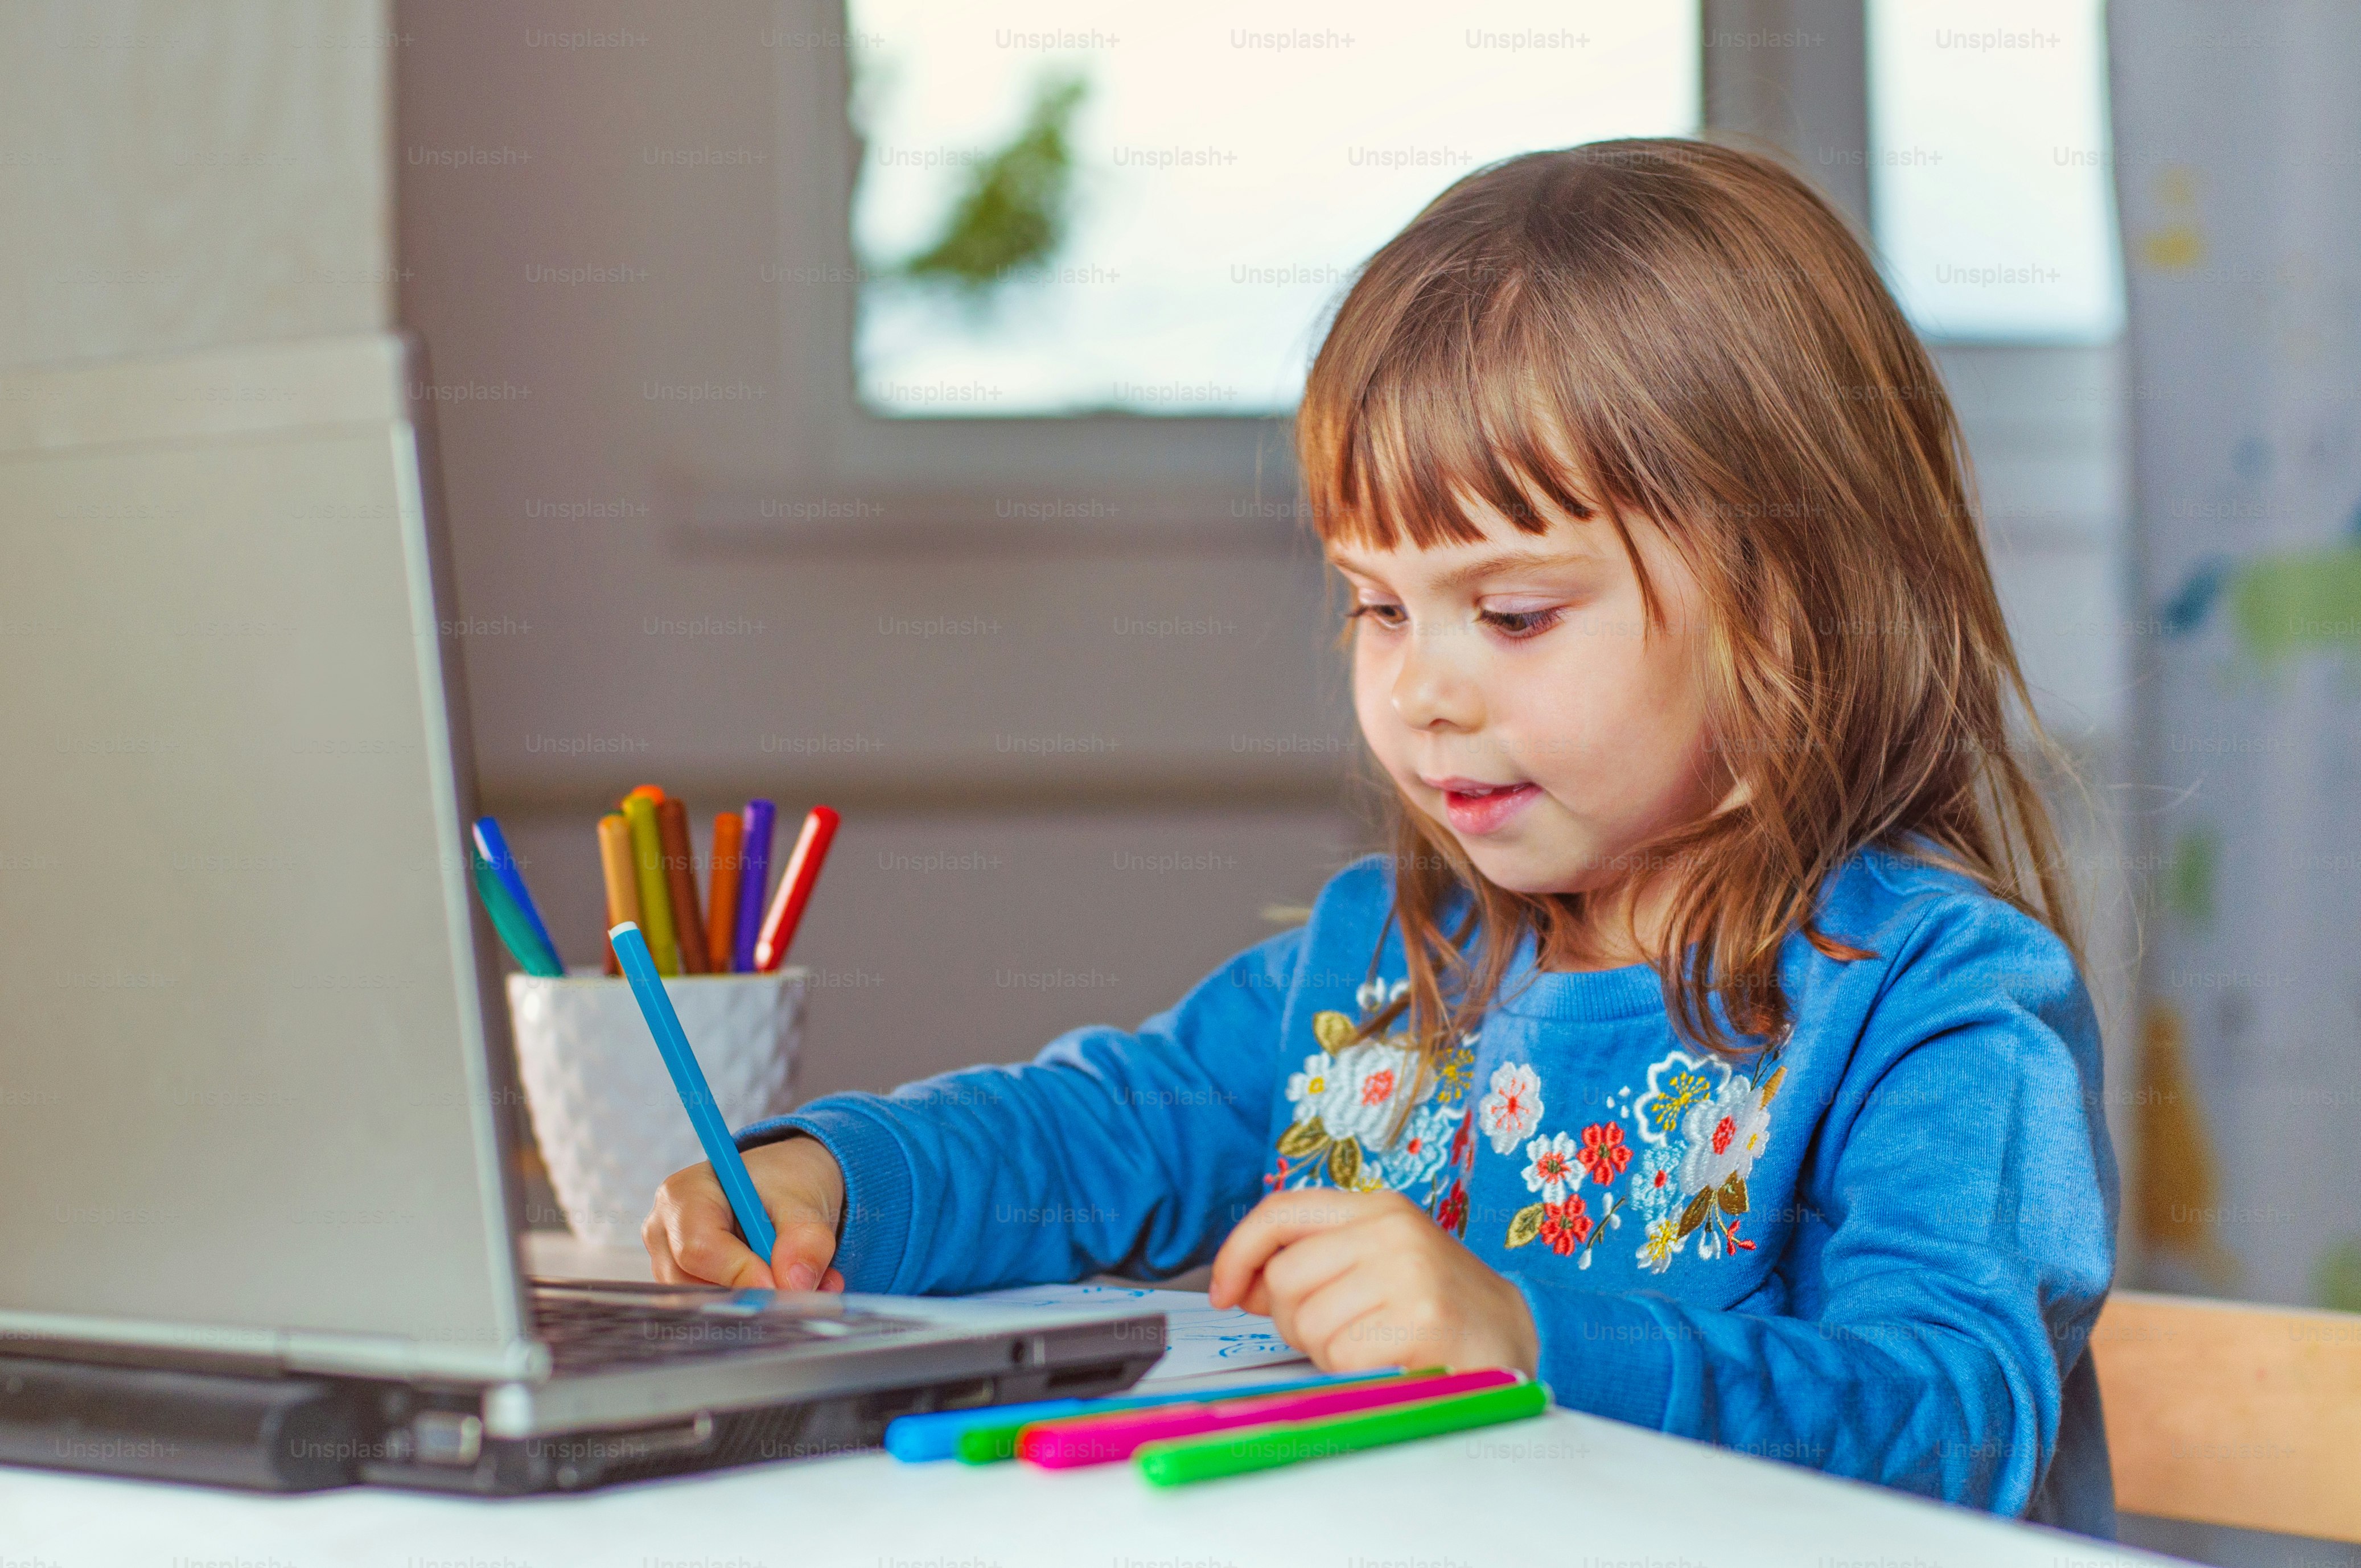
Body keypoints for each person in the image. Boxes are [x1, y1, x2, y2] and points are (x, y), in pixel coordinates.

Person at [642, 139, 2118, 1532]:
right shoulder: (1381, 960)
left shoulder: (1933, 998)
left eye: (1513, 614)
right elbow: (1095, 1129)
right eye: (1379, 606)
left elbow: (1955, 1415)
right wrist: (838, 1179)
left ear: (1787, 609)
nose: (1419, 691)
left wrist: (1525, 1341)